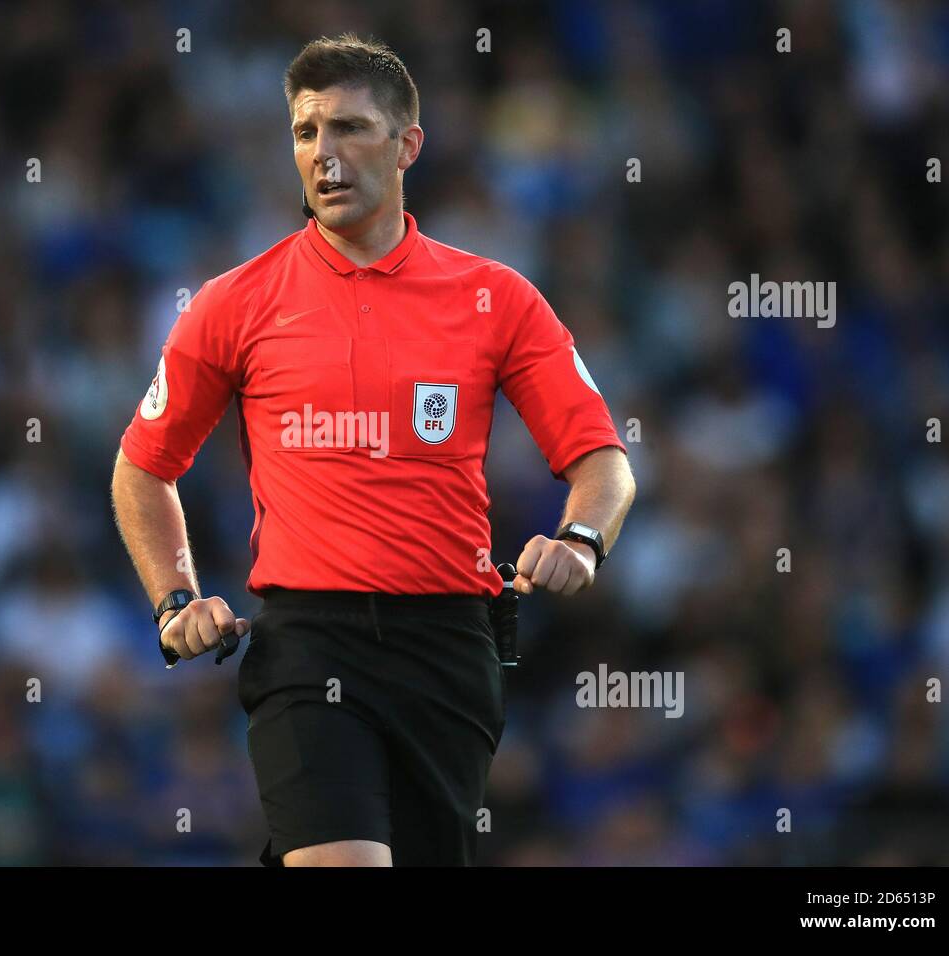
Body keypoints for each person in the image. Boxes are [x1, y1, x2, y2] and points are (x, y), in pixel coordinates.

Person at [112, 33, 636, 866]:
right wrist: (176, 602)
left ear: (407, 145)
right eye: (306, 131)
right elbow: (144, 464)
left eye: (350, 128)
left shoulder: (496, 299)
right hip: (306, 639)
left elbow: (603, 460)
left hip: (449, 646)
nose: (324, 154)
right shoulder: (233, 303)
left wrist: (581, 538)